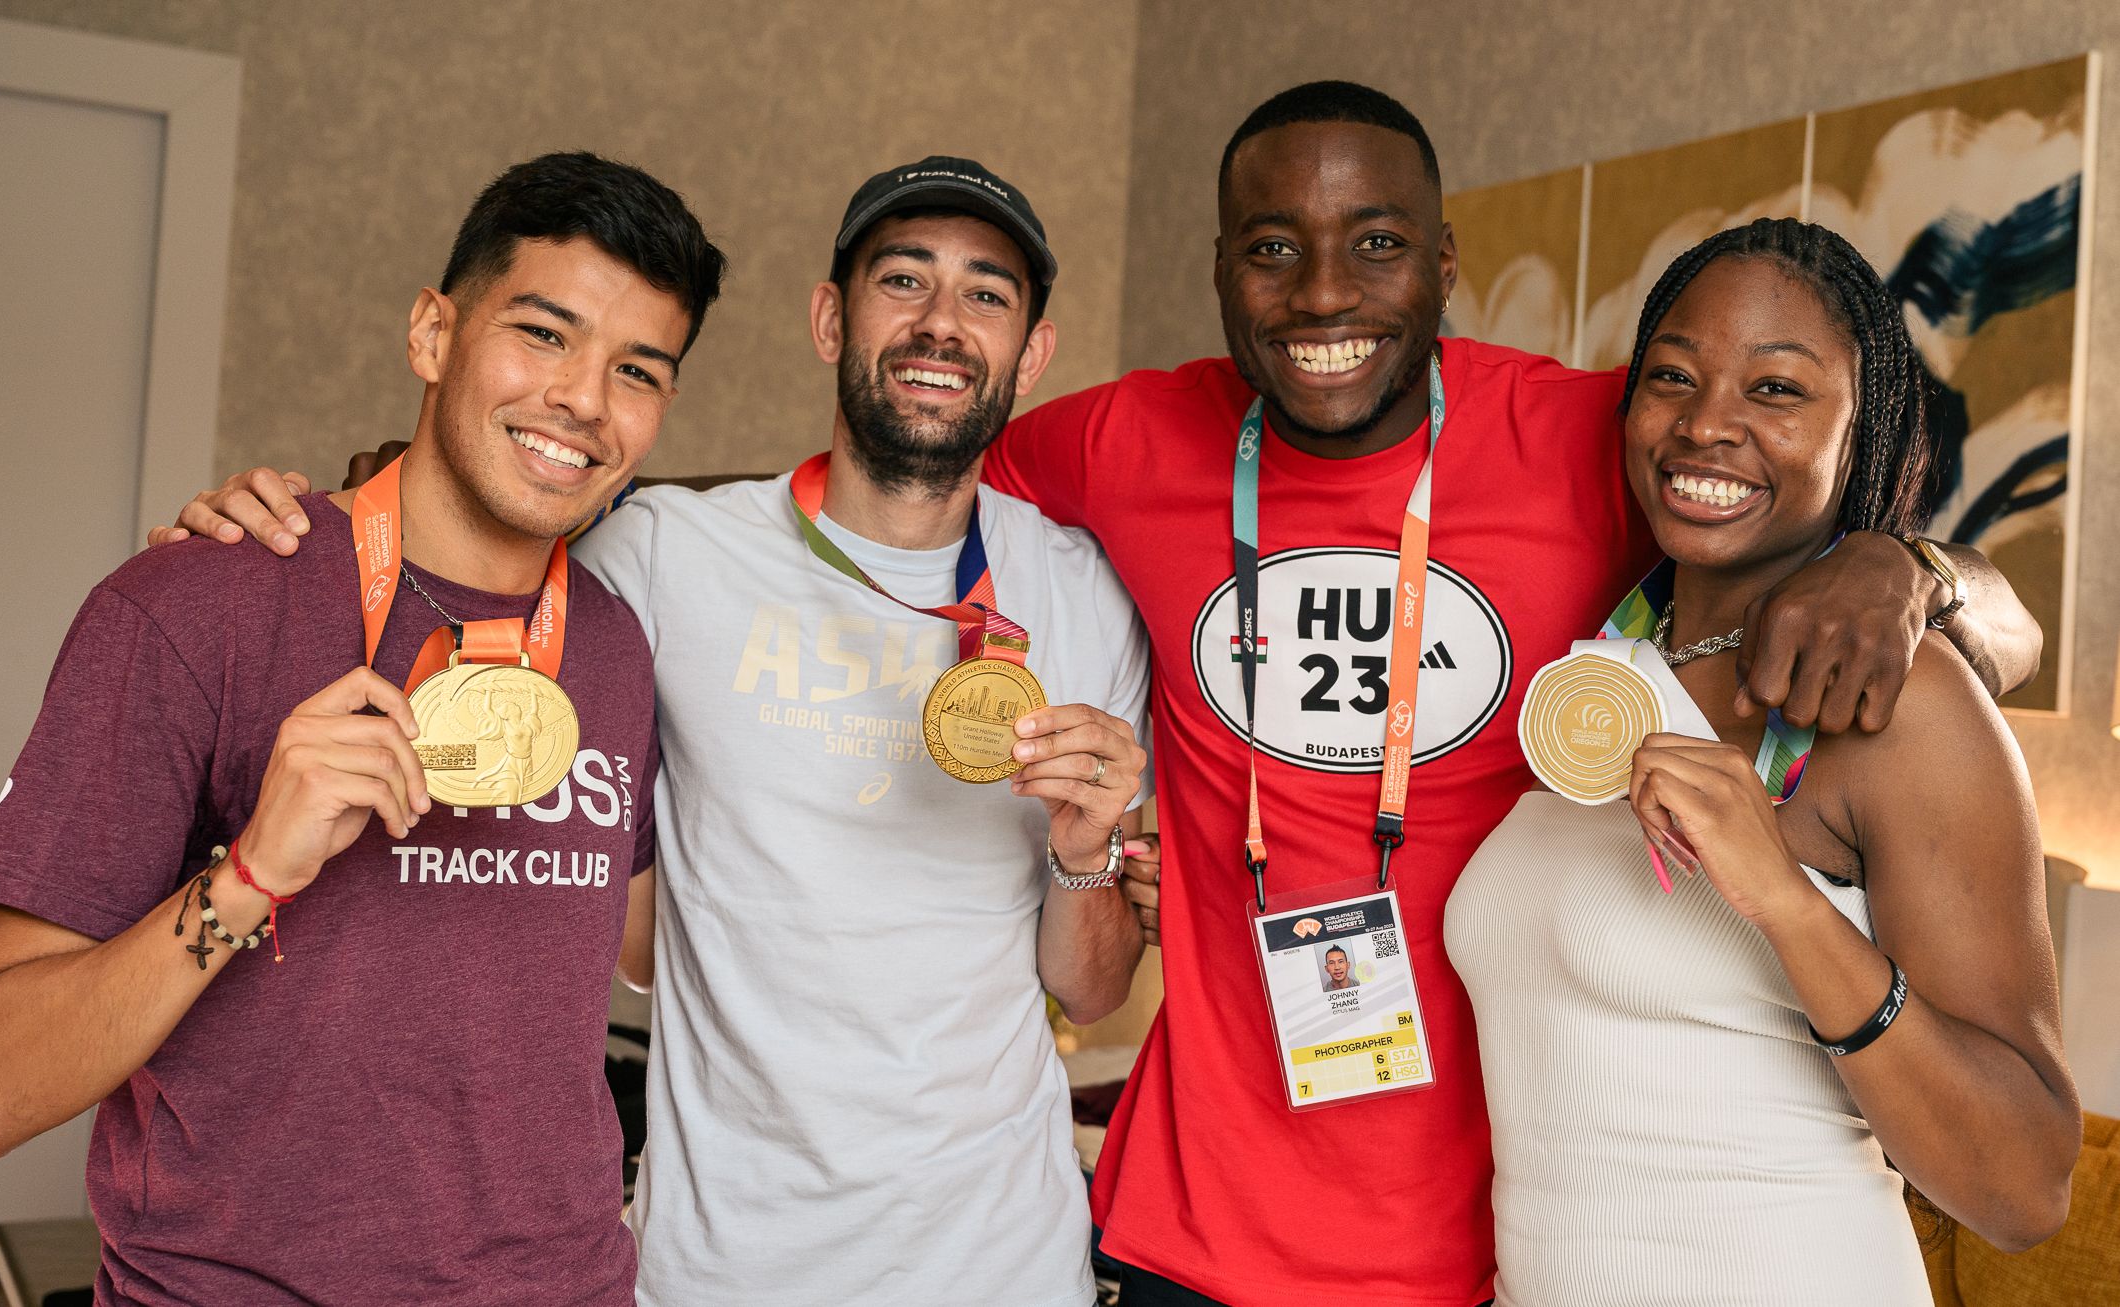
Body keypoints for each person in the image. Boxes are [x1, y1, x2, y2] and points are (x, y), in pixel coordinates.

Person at [166, 88, 2043, 1307]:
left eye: (1376, 245)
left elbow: (1868, 582)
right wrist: (383, 484)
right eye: (1270, 249)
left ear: (1445, 270)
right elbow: (842, 482)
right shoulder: (1105, 450)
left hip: (1499, 1243)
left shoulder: (1586, 431)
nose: (1325, 292)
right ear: (1211, 277)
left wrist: (1911, 560)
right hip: (1168, 1237)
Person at [159, 156, 1151, 1307]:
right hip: (718, 1263)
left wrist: (1085, 847)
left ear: (1032, 351)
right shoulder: (661, 555)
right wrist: (269, 528)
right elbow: (453, 536)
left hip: (1003, 1262)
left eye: (987, 294)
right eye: (903, 279)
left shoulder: (1082, 593)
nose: (941, 322)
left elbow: (1088, 992)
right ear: (830, 318)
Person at [0, 153, 723, 1303]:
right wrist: (252, 871)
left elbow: (659, 949)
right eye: (545, 334)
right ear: (431, 333)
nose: (584, 401)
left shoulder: (618, 642)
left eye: (637, 369)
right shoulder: (194, 607)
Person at [1446, 217, 2077, 1305]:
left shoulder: (1901, 702)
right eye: (1673, 377)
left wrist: (1784, 900)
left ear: (1861, 425)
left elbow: (2024, 1186)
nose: (1705, 425)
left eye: (1776, 391)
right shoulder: (1604, 652)